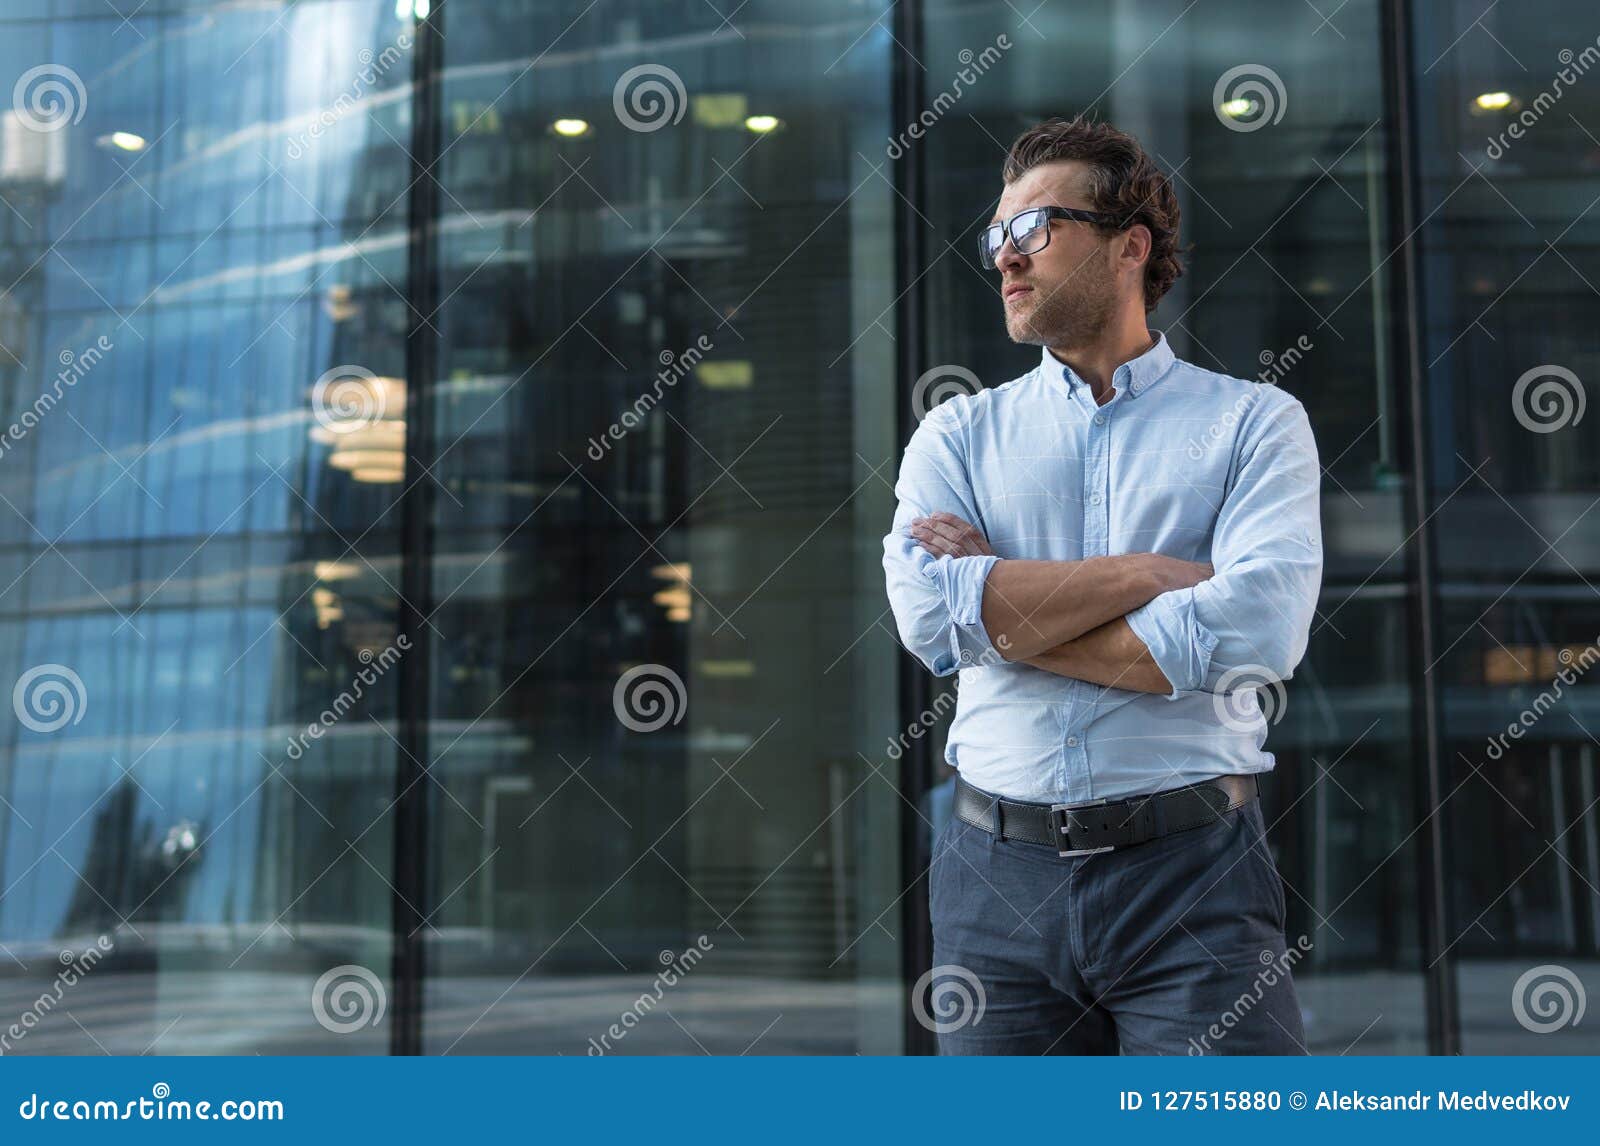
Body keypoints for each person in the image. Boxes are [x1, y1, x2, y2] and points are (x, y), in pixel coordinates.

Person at [882, 116, 1322, 1055]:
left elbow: (1254, 634)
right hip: (990, 882)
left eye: (1033, 229)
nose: (1006, 257)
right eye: (996, 236)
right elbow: (928, 618)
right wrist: (1141, 577)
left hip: (1193, 877)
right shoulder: (955, 435)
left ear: (1130, 246)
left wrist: (1001, 604)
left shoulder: (1255, 424)